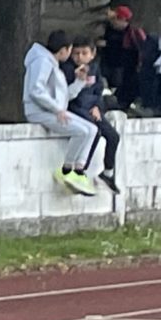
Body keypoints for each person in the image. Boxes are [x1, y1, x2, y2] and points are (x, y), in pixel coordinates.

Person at [22, 30, 101, 196]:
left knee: (92, 130)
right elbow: (36, 90)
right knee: (81, 131)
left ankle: (79, 171)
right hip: (39, 111)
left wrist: (80, 81)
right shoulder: (42, 62)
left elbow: (64, 96)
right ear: (64, 50)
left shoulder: (53, 65)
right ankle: (66, 170)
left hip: (52, 110)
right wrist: (56, 109)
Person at [68, 40, 122, 192]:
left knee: (113, 136)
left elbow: (99, 91)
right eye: (76, 53)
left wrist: (98, 107)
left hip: (93, 109)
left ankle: (107, 173)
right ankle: (79, 170)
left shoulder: (95, 69)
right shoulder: (68, 69)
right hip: (76, 108)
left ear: (92, 54)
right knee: (94, 133)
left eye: (84, 53)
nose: (79, 57)